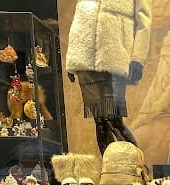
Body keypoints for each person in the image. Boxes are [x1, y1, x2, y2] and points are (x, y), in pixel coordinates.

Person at [65, 0, 152, 154]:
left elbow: (144, 20)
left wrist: (138, 58)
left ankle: (136, 165)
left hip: (114, 56)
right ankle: (110, 166)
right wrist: (72, 59)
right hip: (84, 59)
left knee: (115, 120)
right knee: (100, 122)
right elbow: (80, 19)